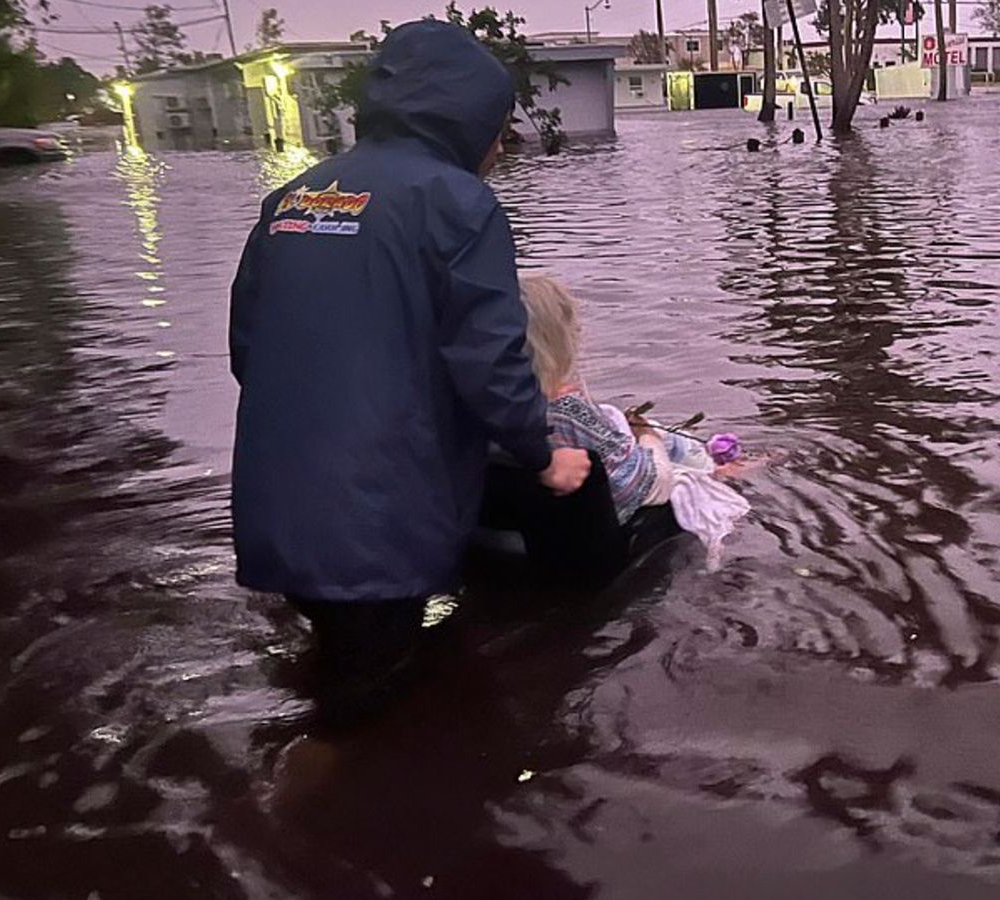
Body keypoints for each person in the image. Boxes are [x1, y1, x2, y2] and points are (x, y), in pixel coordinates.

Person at [228, 21, 590, 722]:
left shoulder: (293, 199)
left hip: (279, 511)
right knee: (365, 710)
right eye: (497, 129)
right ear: (467, 120)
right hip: (376, 527)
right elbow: (490, 355)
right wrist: (542, 456)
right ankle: (294, 800)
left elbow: (248, 350)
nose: (500, 146)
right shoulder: (457, 201)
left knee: (344, 657)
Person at [517, 275, 751, 567]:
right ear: (560, 340)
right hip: (591, 543)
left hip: (518, 537)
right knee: (673, 462)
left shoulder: (479, 412)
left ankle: (725, 468)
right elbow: (653, 484)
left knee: (635, 434)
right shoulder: (567, 411)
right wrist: (647, 434)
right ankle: (727, 471)